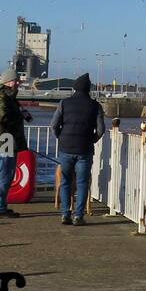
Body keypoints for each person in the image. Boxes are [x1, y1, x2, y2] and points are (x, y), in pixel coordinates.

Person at [50, 73, 105, 226]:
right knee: (82, 183)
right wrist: (92, 140)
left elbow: (54, 125)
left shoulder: (63, 103)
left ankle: (65, 213)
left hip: (65, 148)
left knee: (66, 181)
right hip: (85, 150)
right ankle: (78, 216)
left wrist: (61, 138)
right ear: (88, 89)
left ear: (74, 88)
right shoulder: (95, 106)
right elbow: (101, 129)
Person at [0, 68, 29, 218]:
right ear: (8, 81)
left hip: (7, 139)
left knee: (7, 173)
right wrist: (18, 117)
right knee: (4, 173)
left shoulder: (8, 96)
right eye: (16, 80)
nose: (18, 83)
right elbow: (2, 118)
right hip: (5, 139)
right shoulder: (2, 97)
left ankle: (0, 205)